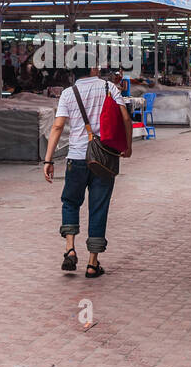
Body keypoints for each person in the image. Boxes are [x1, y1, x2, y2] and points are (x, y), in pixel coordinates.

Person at [43, 65, 132, 278]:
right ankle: (92, 264)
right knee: (98, 207)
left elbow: (57, 127)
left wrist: (48, 159)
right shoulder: (109, 87)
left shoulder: (68, 93)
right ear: (92, 68)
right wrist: (127, 146)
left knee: (71, 202)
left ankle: (70, 248)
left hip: (76, 157)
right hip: (104, 157)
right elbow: (126, 119)